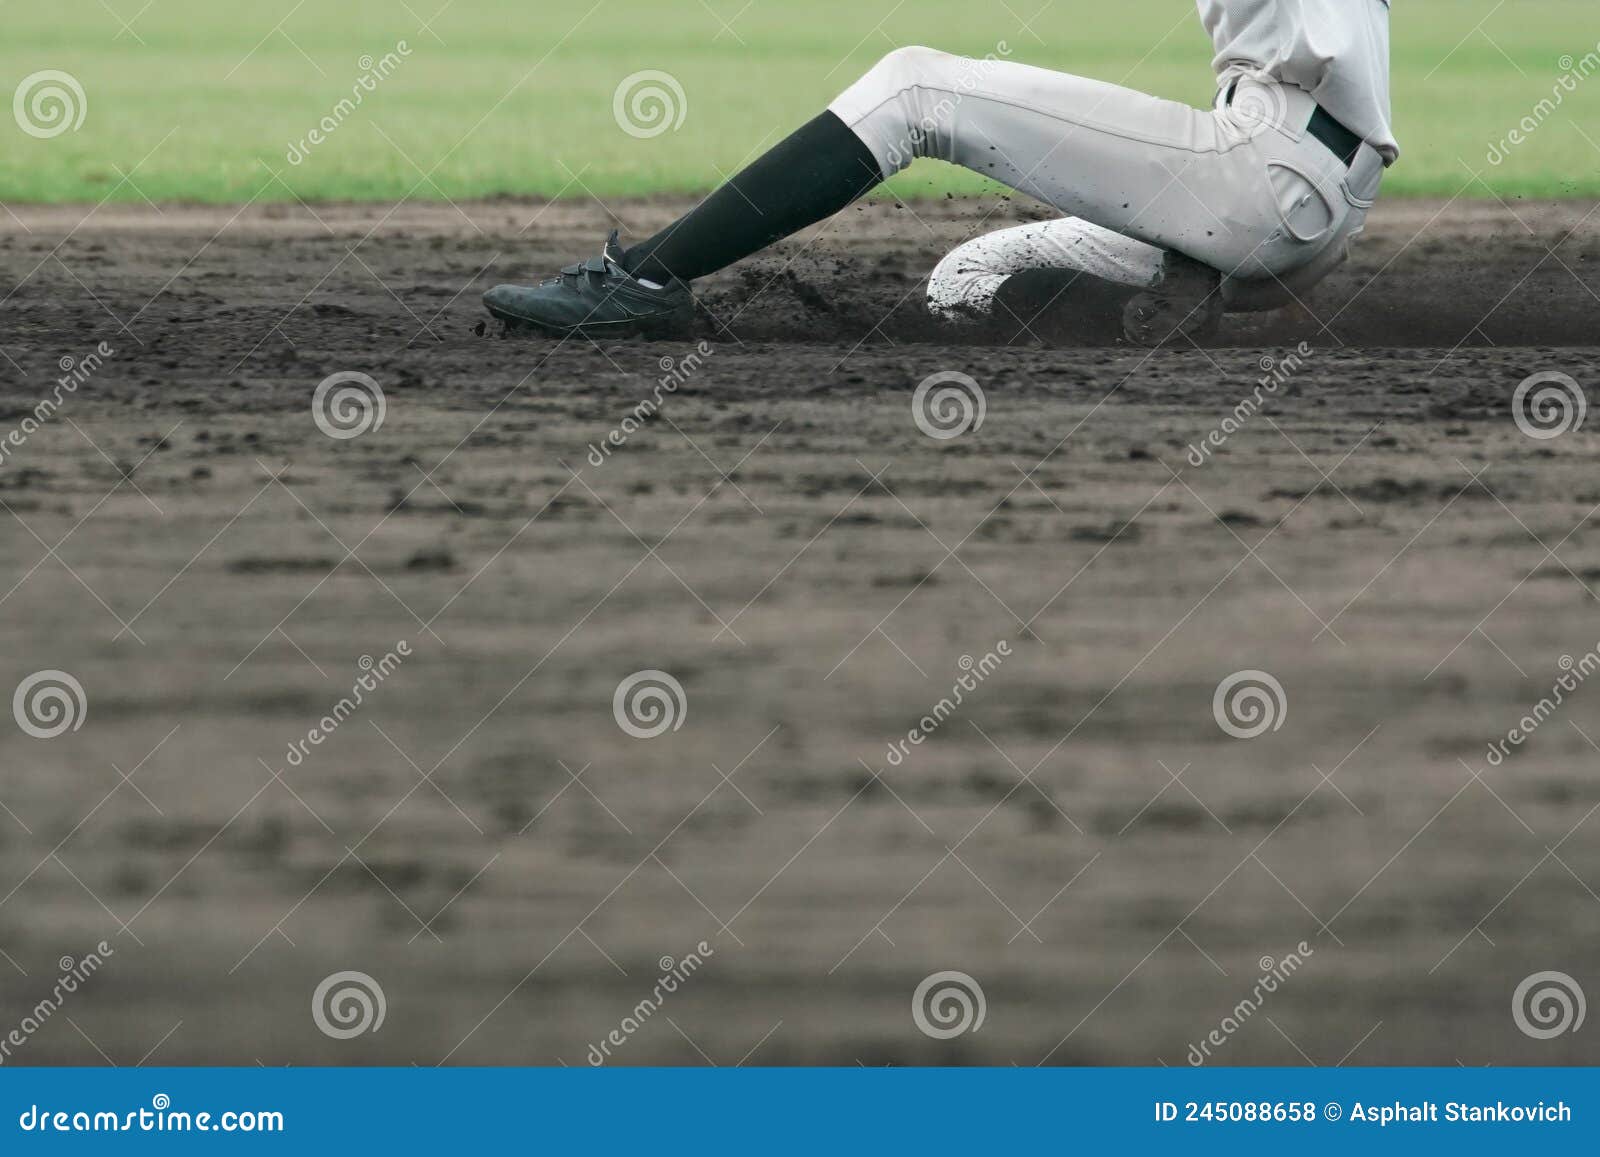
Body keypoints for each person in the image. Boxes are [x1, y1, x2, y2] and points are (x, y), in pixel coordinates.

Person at [482, 0, 1396, 347]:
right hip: (1301, 205)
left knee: (915, 87)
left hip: (1261, 172)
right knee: (965, 280)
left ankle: (643, 281)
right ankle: (1166, 295)